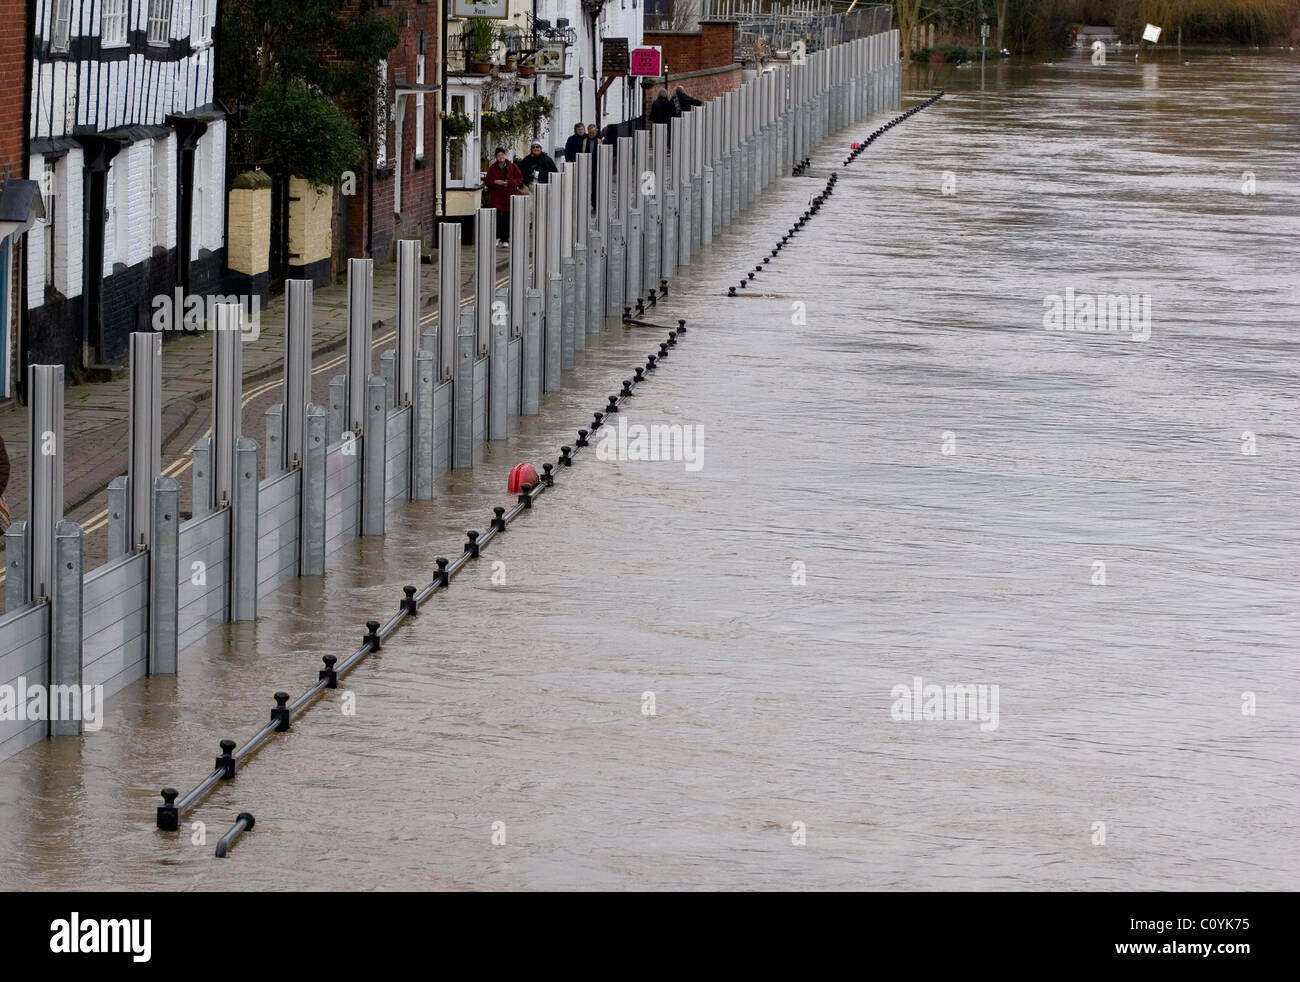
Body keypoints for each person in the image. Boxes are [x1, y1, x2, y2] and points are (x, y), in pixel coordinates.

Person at [485, 147, 523, 245]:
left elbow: (519, 180)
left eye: (502, 154)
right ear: (496, 157)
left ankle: (505, 239)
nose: (501, 157)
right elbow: (488, 181)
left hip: (508, 195)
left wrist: (508, 183)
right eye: (498, 155)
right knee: (497, 217)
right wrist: (495, 181)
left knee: (507, 217)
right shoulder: (492, 168)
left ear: (505, 155)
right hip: (497, 196)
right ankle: (497, 237)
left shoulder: (513, 166)